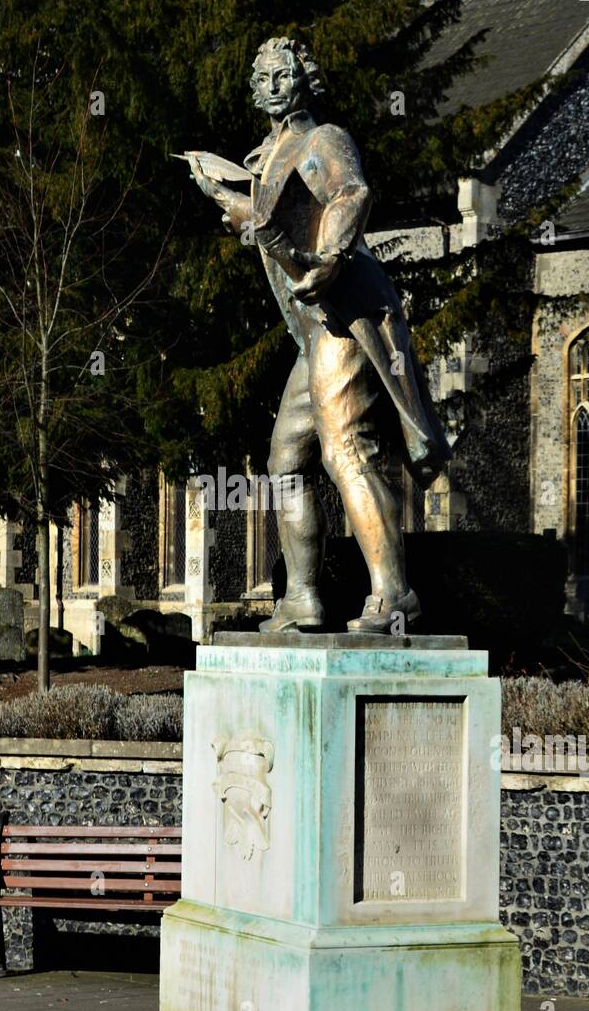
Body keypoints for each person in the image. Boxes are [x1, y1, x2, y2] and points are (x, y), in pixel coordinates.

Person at [187, 35, 449, 634]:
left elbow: (350, 194)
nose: (273, 86)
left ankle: (393, 595)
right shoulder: (265, 160)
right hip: (312, 338)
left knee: (345, 450)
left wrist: (330, 254)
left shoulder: (321, 140)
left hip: (342, 318)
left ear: (304, 82)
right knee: (285, 460)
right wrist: (227, 198)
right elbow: (271, 226)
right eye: (265, 78)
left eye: (284, 75)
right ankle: (303, 597)